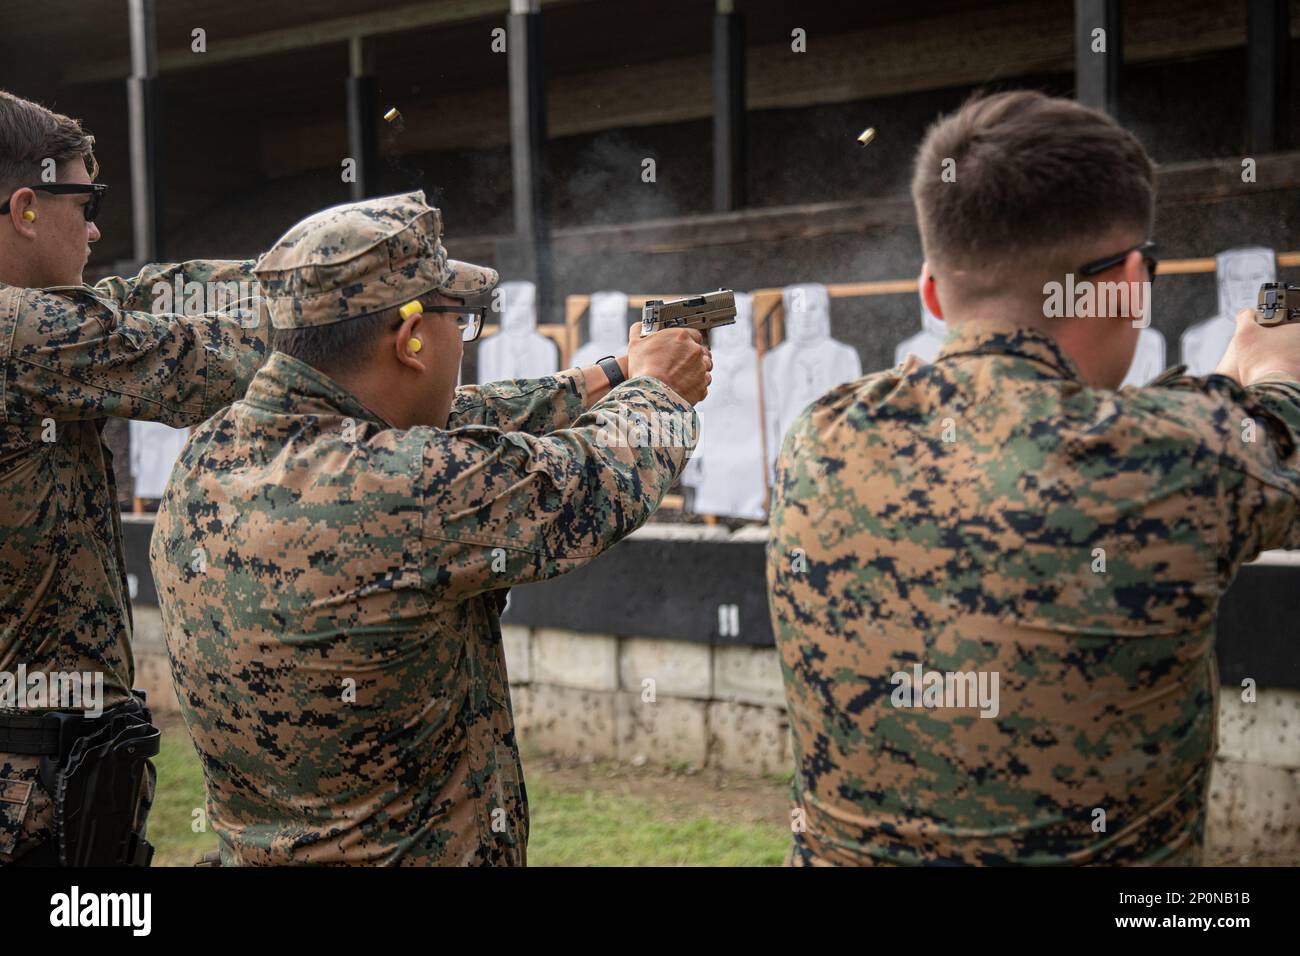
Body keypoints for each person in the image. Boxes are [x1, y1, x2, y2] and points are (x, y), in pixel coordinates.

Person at [766, 90, 1300, 866]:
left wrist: (1226, 402)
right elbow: (1245, 446)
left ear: (930, 291)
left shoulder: (820, 438)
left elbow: (1109, 449)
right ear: (1128, 282)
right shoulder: (1188, 459)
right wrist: (1278, 368)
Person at [149, 191, 711, 865]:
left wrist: (609, 375)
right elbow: (594, 477)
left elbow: (457, 416)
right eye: (462, 320)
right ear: (411, 338)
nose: (464, 340)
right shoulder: (406, 489)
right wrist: (661, 391)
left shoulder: (211, 452)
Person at [0, 89, 269, 866]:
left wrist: (307, 266)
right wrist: (344, 302)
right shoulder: (23, 334)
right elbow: (194, 364)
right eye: (85, 201)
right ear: (25, 208)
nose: (94, 226)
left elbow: (133, 298)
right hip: (30, 798)